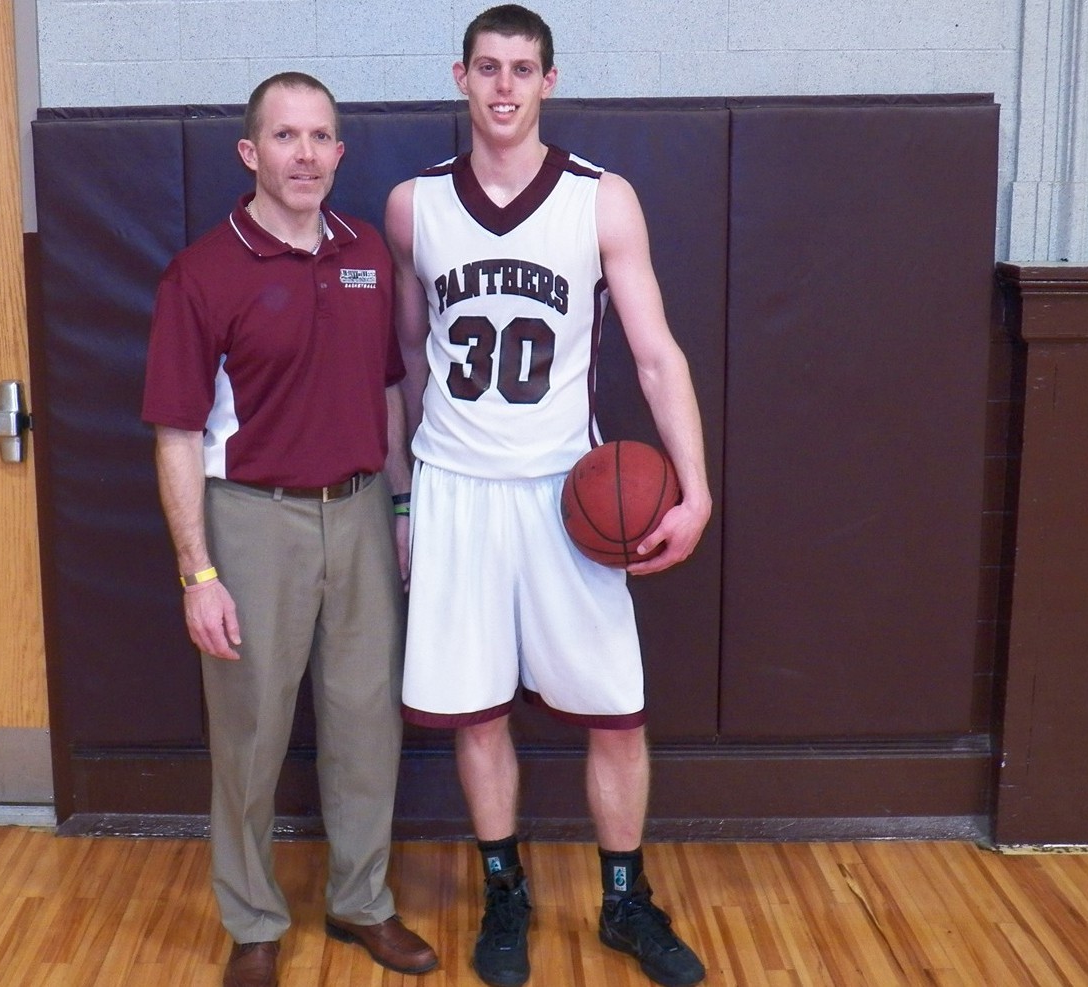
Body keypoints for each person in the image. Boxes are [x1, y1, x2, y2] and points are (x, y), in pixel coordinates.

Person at [385, 7, 713, 987]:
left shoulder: (601, 200)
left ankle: (624, 901)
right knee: (477, 715)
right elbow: (404, 361)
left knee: (616, 714)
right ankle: (505, 893)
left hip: (566, 494)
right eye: (487, 68)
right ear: (460, 77)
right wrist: (403, 500)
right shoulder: (412, 206)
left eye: (521, 69)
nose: (503, 87)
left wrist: (695, 491)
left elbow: (655, 357)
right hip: (454, 488)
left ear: (548, 82)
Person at [142, 72, 437, 987]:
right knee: (250, 732)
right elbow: (177, 433)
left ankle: (362, 900)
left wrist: (399, 508)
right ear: (251, 152)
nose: (304, 154)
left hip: (360, 511)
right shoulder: (202, 273)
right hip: (252, 521)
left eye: (319, 137)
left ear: (339, 152)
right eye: (284, 136)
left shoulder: (365, 252)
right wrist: (198, 573)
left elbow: (389, 392)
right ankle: (254, 918)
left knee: (366, 722)